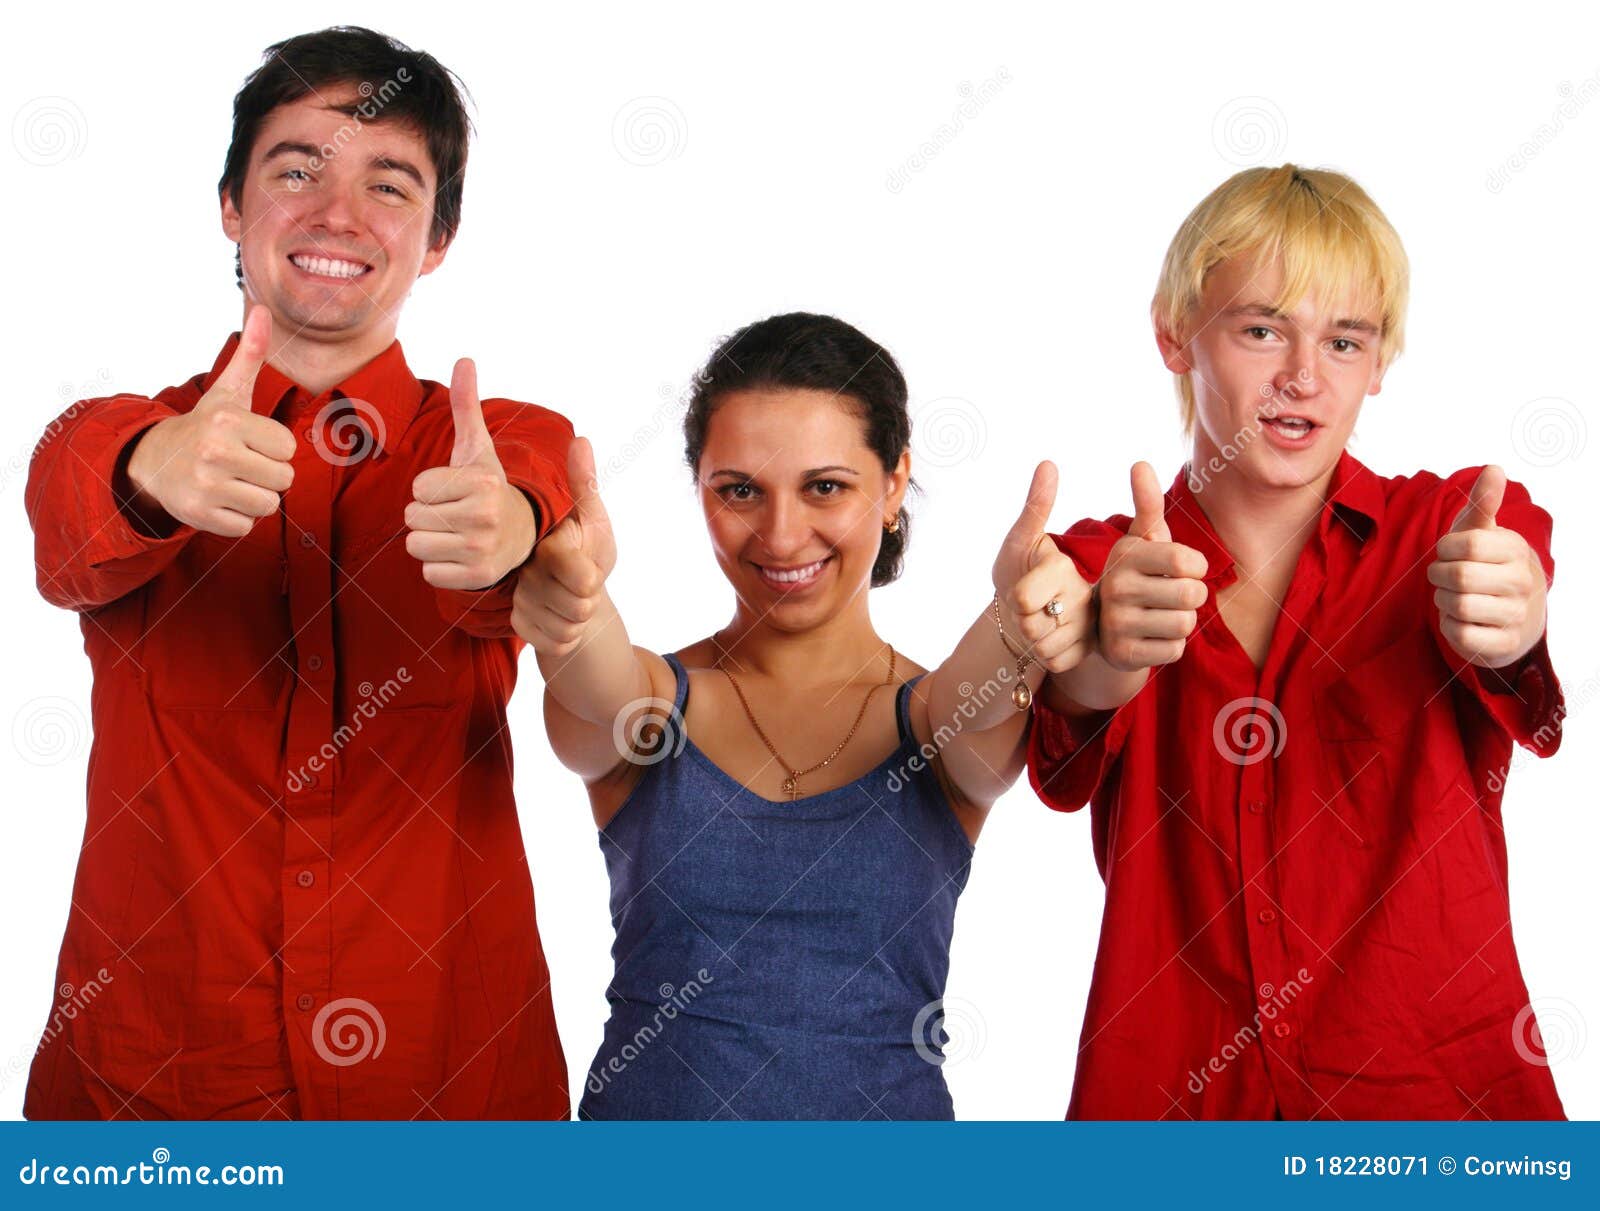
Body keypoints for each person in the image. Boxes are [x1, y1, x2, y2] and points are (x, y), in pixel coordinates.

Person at [24, 27, 573, 1119]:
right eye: (296, 170)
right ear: (231, 204)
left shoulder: (502, 441)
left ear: (439, 236)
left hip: (448, 1093)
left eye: (389, 183)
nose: (338, 213)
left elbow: (526, 513)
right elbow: (74, 529)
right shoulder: (116, 432)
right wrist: (152, 471)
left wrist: (507, 528)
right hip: (156, 1093)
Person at [1030, 164, 1566, 1119]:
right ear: (1173, 333)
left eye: (1345, 339)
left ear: (1379, 363)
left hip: (1440, 1122)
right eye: (1262, 329)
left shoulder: (1447, 528)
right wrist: (1104, 653)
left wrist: (1512, 620)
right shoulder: (1108, 564)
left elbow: (1511, 586)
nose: (1304, 377)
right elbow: (1075, 702)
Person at [512, 313, 1090, 1119]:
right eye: (740, 489)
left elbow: (979, 689)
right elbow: (592, 676)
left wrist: (1013, 624)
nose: (782, 534)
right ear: (699, 492)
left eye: (826, 486)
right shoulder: (649, 711)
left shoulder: (932, 723)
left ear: (893, 486)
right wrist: (573, 610)